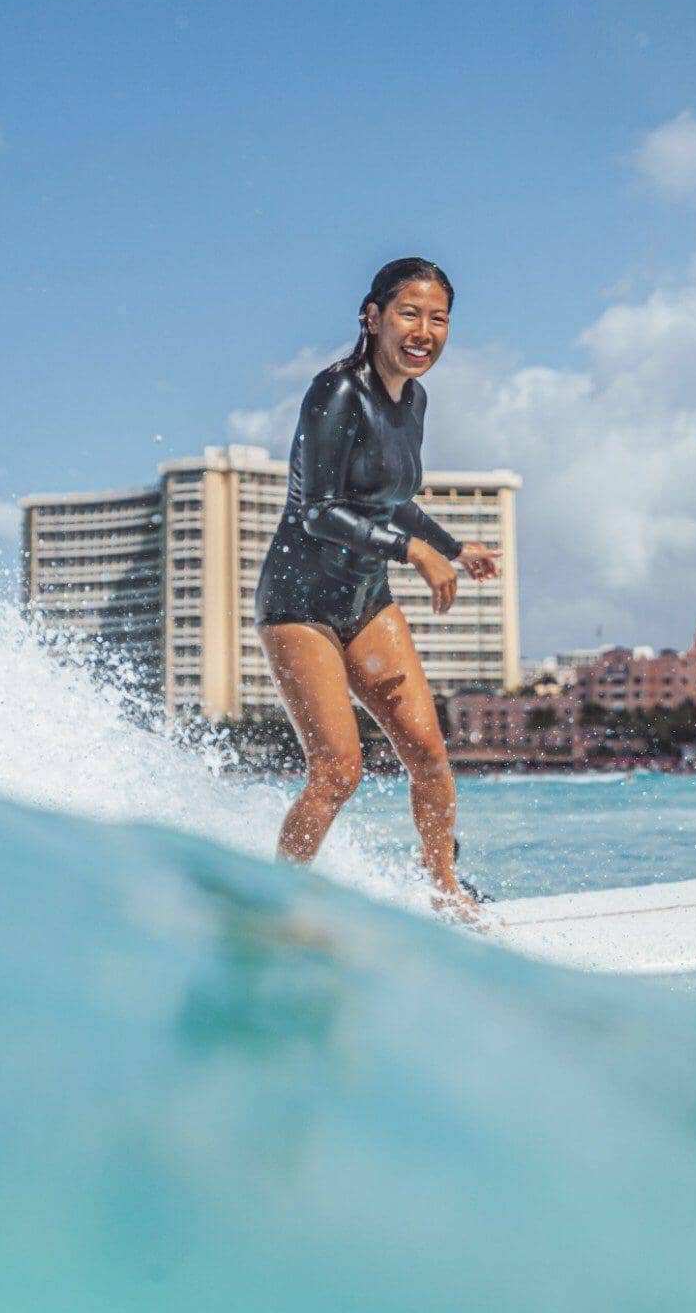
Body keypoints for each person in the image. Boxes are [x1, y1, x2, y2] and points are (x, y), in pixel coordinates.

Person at [254, 257, 501, 919]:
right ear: (373, 318)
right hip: (299, 607)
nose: (424, 330)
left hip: (364, 600)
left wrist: (453, 546)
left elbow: (393, 498)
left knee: (428, 753)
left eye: (439, 318)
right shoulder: (334, 392)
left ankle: (445, 892)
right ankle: (277, 905)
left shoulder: (413, 400)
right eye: (409, 313)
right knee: (339, 770)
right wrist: (413, 552)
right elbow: (319, 509)